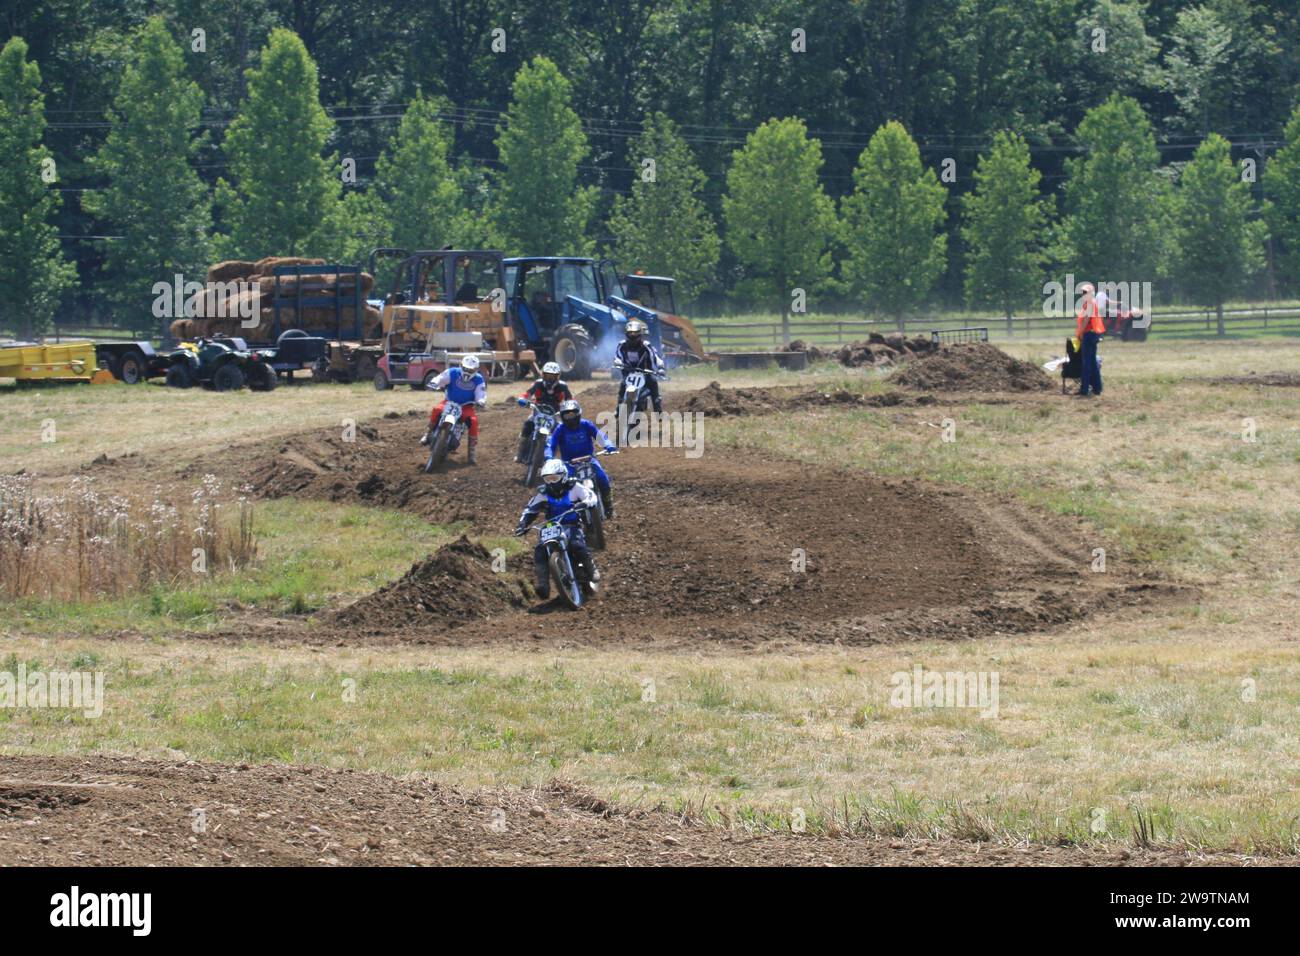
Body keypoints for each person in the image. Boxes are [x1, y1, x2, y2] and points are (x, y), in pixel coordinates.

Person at [514, 458, 600, 599]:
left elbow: (590, 496)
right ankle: (543, 585)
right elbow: (530, 510)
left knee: (577, 545)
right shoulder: (543, 494)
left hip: (572, 525)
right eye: (548, 480)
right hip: (552, 526)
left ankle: (591, 569)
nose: (552, 483)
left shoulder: (574, 487)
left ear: (564, 476)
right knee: (540, 551)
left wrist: (584, 504)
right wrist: (522, 524)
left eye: (555, 478)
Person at [546, 399, 617, 517]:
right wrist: (548, 457)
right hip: (569, 464)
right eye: (567, 416)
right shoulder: (560, 429)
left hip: (590, 460)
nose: (571, 418)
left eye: (573, 414)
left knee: (603, 478)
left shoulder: (586, 424)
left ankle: (608, 505)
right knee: (567, 486)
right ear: (562, 417)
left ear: (578, 413)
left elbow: (600, 436)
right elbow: (551, 444)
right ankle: (569, 512)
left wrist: (608, 444)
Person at [423, 355, 487, 462]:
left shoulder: (479, 379)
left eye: (471, 370)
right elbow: (441, 378)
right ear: (461, 366)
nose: (468, 372)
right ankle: (428, 433)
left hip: (466, 406)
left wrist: (481, 401)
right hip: (449, 402)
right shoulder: (452, 372)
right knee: (436, 409)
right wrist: (434, 383)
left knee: (473, 422)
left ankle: (471, 452)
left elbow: (481, 393)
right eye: (466, 369)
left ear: (476, 370)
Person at [514, 361, 573, 463]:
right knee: (528, 425)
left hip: (554, 413)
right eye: (548, 375)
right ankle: (520, 453)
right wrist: (522, 399)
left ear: (558, 377)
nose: (550, 378)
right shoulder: (538, 384)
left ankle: (559, 459)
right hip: (538, 411)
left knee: (561, 433)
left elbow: (570, 399)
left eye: (553, 376)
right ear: (543, 375)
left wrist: (571, 407)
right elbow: (527, 393)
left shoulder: (563, 386)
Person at [612, 319, 665, 413]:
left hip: (645, 373)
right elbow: (617, 356)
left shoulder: (646, 345)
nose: (633, 336)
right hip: (628, 373)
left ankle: (657, 409)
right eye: (630, 333)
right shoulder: (622, 345)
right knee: (623, 386)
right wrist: (618, 362)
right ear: (626, 334)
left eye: (635, 333)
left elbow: (656, 357)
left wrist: (660, 367)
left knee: (653, 383)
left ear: (640, 334)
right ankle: (619, 408)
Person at [1076, 282, 1105, 398]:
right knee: (1092, 362)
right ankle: (1097, 388)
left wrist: (1080, 333)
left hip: (1088, 335)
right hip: (1094, 335)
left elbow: (1086, 320)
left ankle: (1084, 389)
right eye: (1082, 292)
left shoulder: (1089, 304)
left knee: (1086, 363)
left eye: (1085, 292)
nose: (1083, 294)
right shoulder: (1092, 304)